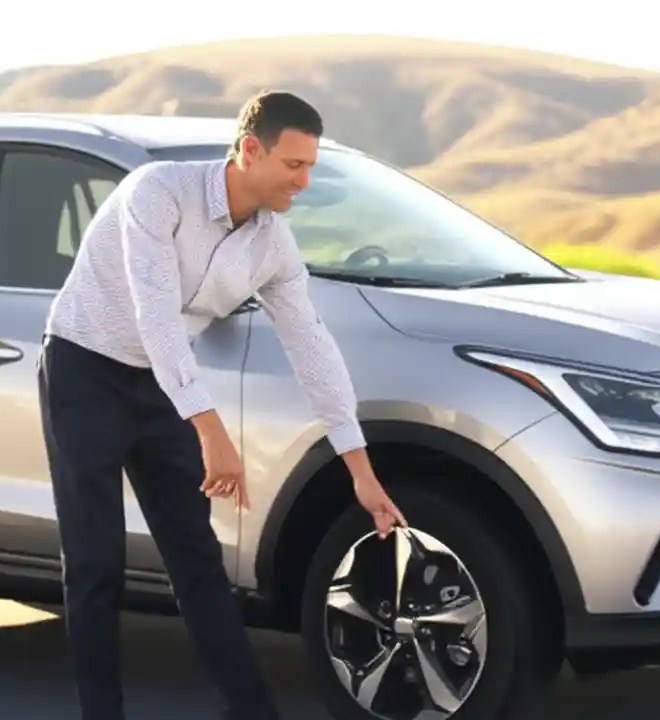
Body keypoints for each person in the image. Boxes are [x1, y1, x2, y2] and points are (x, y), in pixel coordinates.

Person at [36, 89, 408, 720]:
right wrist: (211, 429)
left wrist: (362, 475)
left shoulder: (274, 245)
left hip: (162, 387)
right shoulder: (158, 193)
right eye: (295, 165)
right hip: (84, 370)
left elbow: (313, 349)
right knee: (97, 565)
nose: (305, 181)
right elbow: (154, 315)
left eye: (311, 166)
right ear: (252, 150)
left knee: (198, 563)